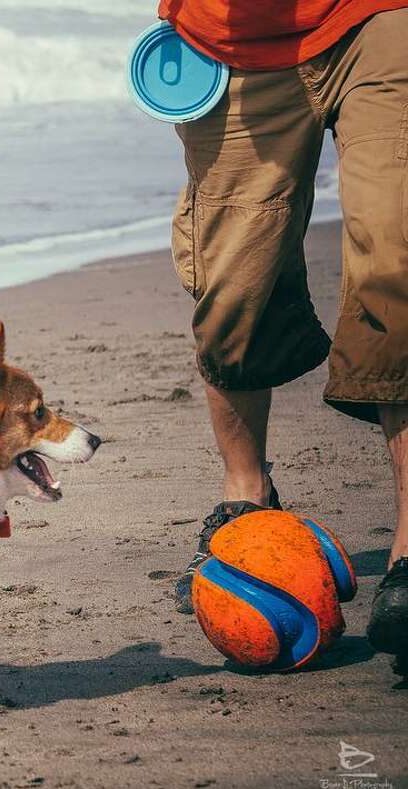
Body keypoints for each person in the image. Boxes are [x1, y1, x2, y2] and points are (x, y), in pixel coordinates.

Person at [158, 0, 408, 664]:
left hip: (379, 18)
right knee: (232, 286)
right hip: (227, 44)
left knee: (396, 254)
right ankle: (247, 497)